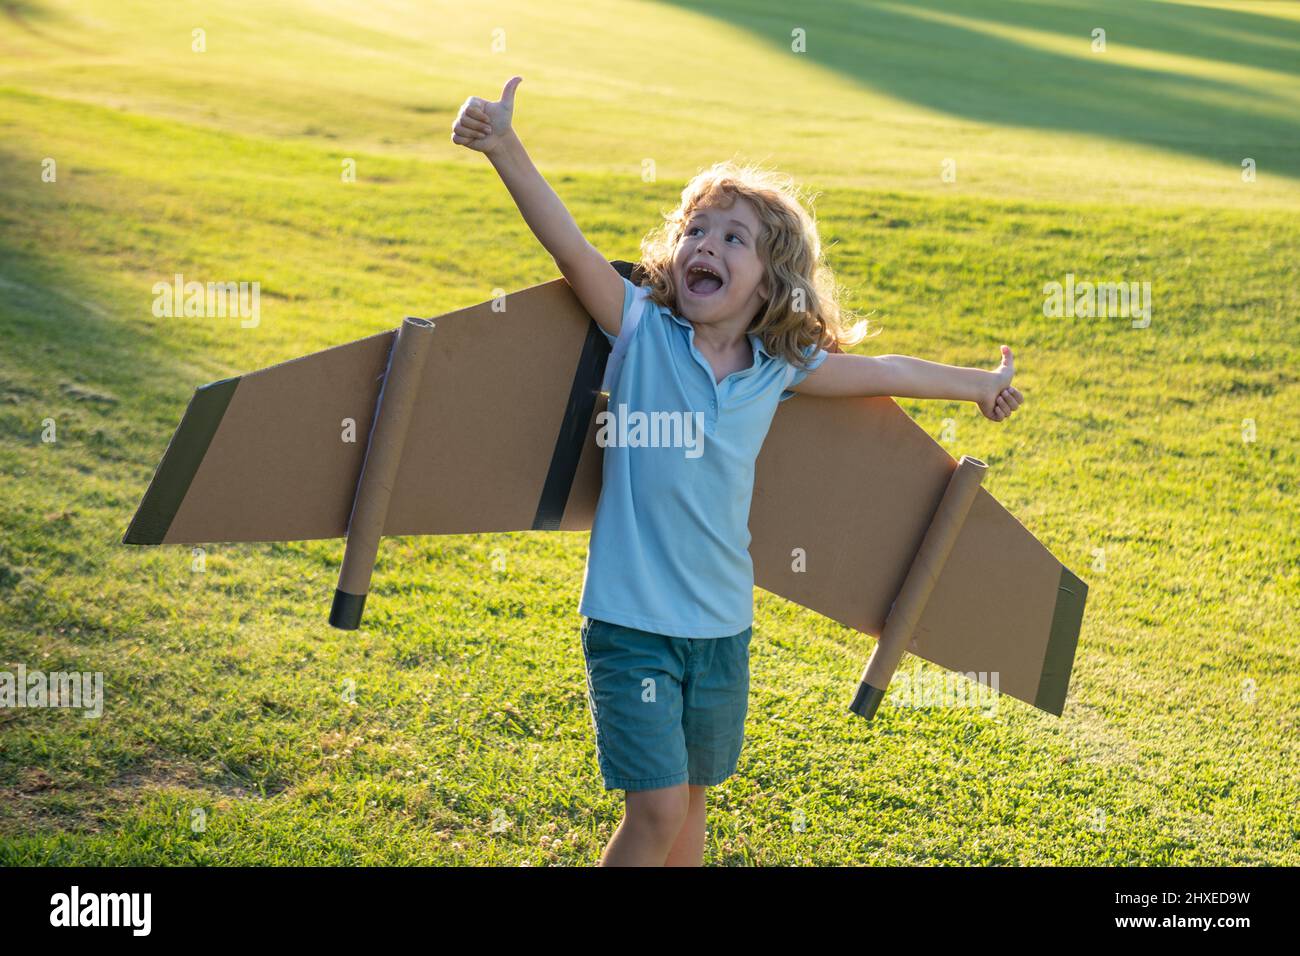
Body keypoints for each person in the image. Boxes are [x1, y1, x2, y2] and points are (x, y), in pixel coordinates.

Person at [451, 76, 1023, 866]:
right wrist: (504, 147)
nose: (706, 248)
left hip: (721, 630)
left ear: (769, 281)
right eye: (696, 230)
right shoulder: (641, 329)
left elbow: (882, 370)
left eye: (733, 239)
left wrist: (978, 383)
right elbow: (570, 248)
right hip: (632, 625)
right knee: (653, 812)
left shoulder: (776, 368)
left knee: (689, 811)